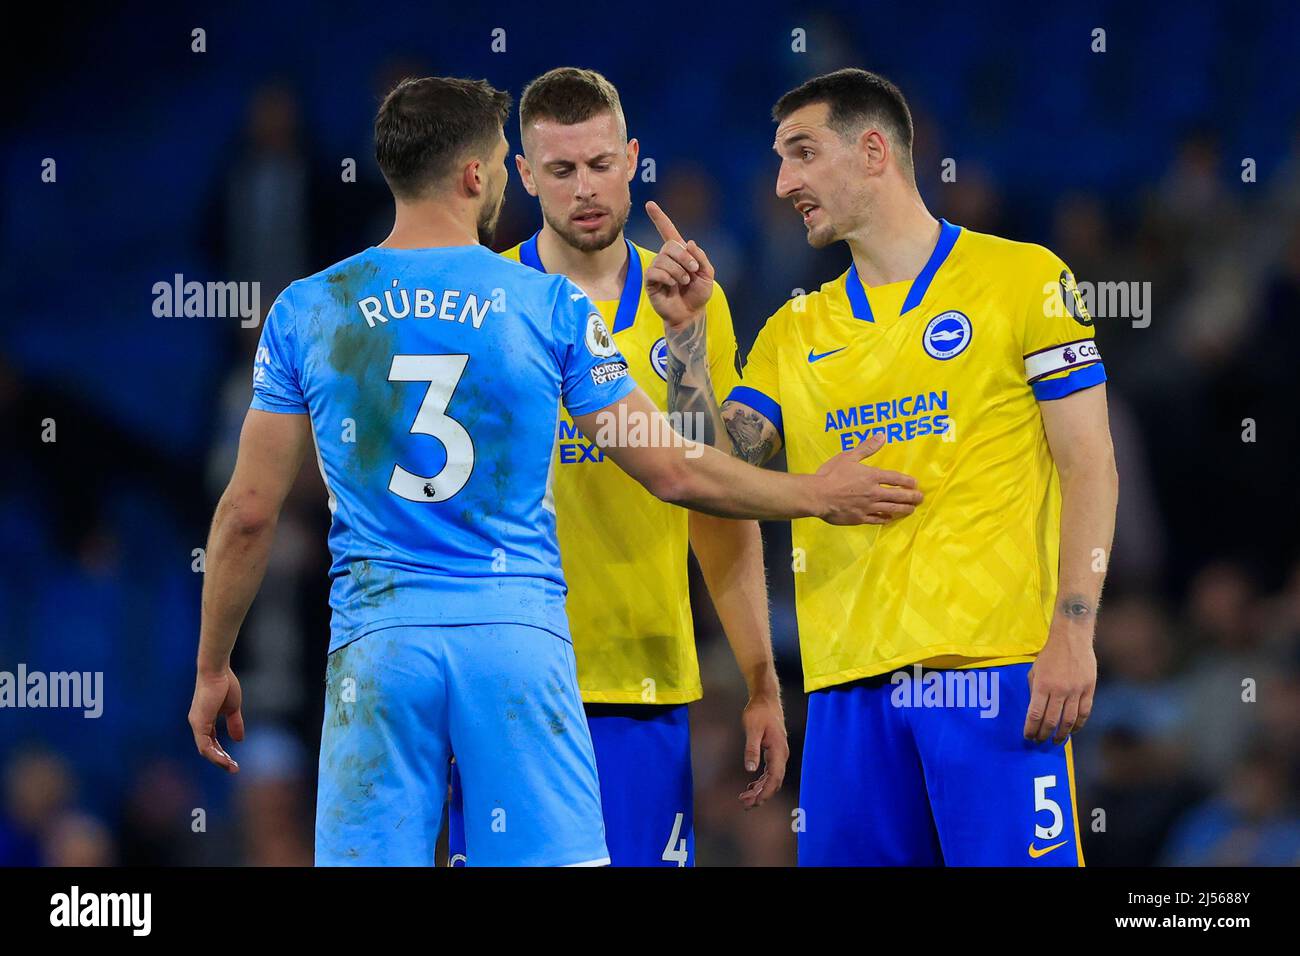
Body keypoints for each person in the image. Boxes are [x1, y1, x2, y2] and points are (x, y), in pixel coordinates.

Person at [188, 75, 922, 867]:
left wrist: (211, 665)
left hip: (382, 652)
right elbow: (676, 470)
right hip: (519, 654)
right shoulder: (543, 306)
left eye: (599, 164)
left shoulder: (305, 309)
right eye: (516, 162)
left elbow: (247, 512)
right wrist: (813, 494)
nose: (534, 181)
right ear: (484, 175)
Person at [645, 68, 1118, 866]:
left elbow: (1090, 465)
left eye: (801, 153)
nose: (783, 181)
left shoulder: (1023, 278)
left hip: (991, 676)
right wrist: (688, 343)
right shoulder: (795, 329)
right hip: (845, 695)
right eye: (778, 159)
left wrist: (1074, 629)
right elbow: (715, 475)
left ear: (873, 151)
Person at [448, 67, 783, 867]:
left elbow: (711, 489)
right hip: (506, 692)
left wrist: (762, 677)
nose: (585, 188)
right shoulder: (480, 302)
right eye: (560, 171)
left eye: (601, 164)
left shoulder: (692, 297)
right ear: (524, 176)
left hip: (644, 682)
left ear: (633, 158)